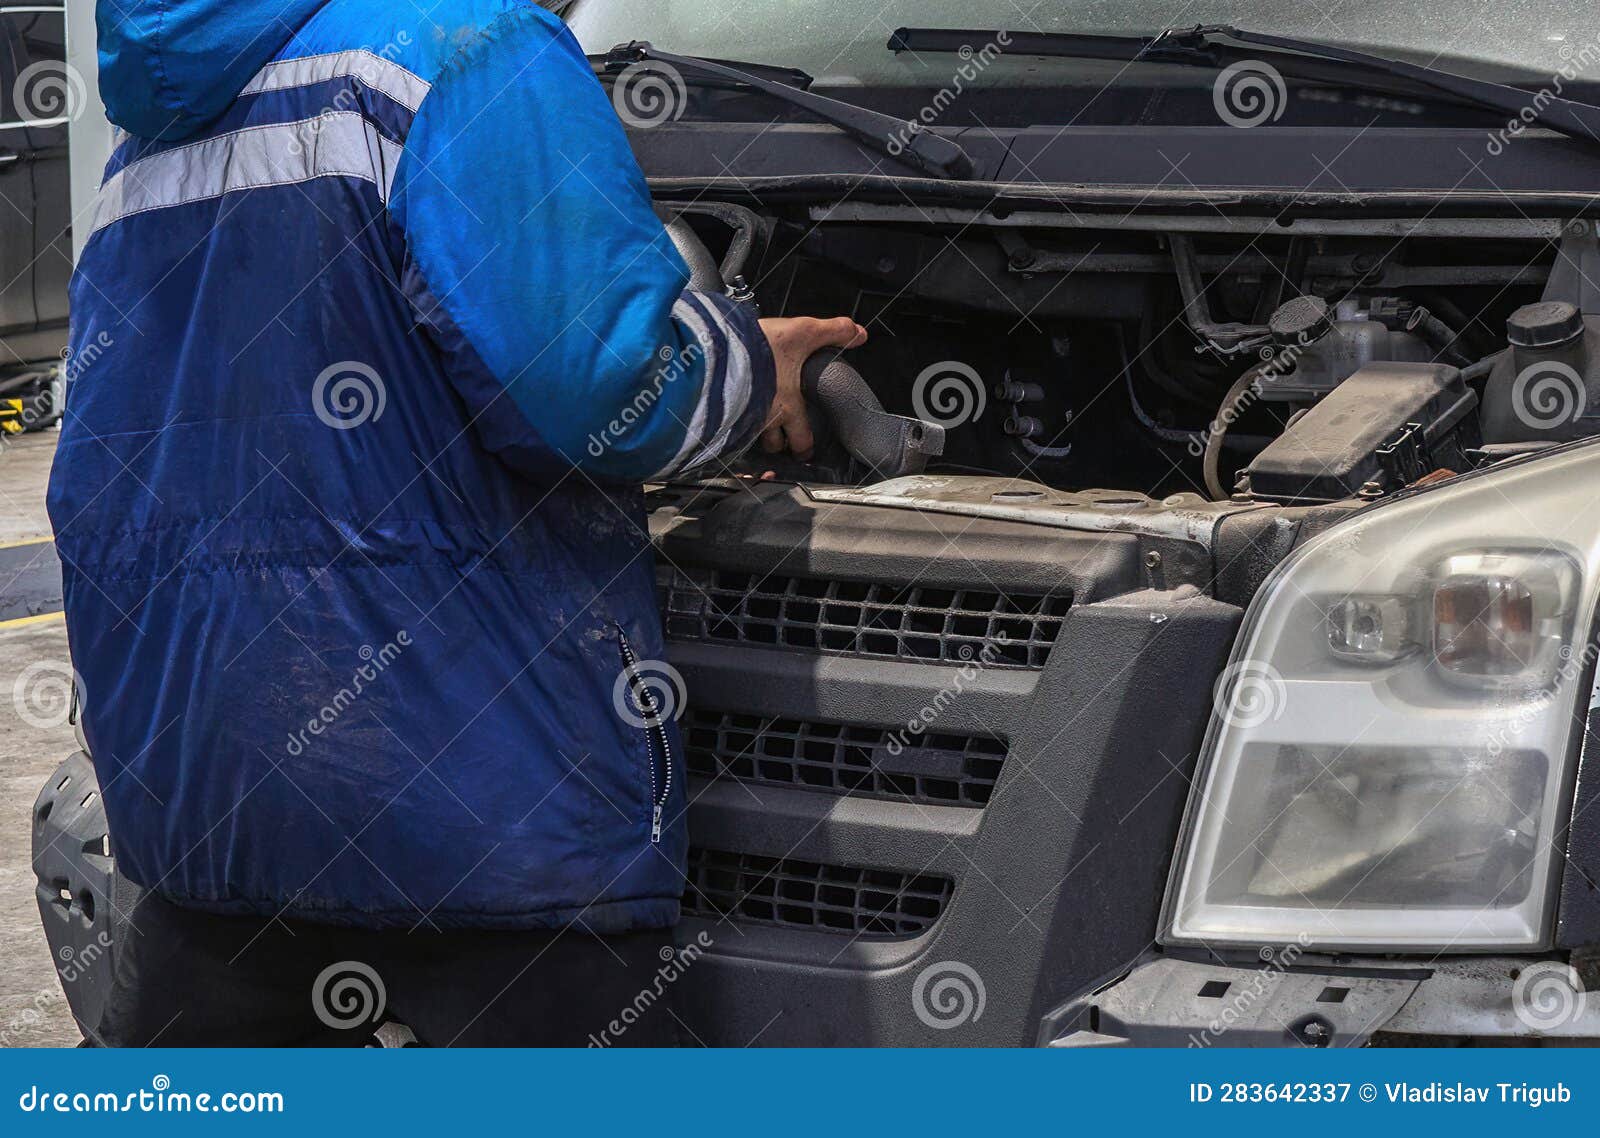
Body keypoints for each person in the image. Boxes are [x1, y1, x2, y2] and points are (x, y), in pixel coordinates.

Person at [48, 0, 866, 1046]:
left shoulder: (154, 127)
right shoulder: (470, 47)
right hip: (480, 833)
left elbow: (105, 468)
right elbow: (598, 390)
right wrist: (750, 361)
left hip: (208, 826)